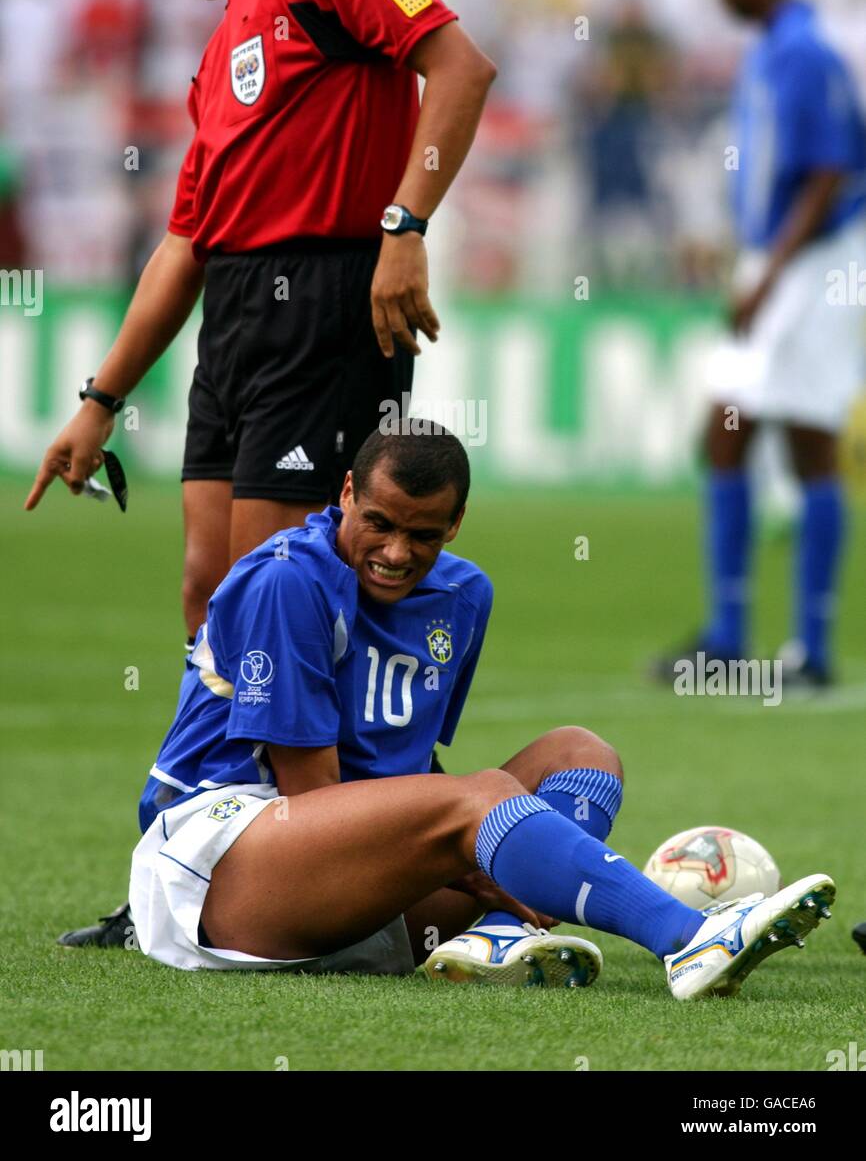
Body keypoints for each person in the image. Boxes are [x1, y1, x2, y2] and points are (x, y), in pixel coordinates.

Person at [26, 0, 496, 944]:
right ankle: (188, 852)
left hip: (330, 298)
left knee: (282, 592)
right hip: (236, 317)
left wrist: (404, 225)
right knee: (214, 592)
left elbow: (459, 65)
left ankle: (320, 869)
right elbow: (185, 240)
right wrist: (99, 401)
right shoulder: (222, 45)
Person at [129, 424, 834, 999]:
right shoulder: (288, 580)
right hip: (221, 872)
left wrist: (475, 858)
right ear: (345, 493)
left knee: (580, 754)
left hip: (353, 886)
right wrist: (471, 860)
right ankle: (690, 938)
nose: (396, 553)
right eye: (378, 523)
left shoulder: (464, 596)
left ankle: (501, 935)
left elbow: (411, 765)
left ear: (457, 522)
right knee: (482, 801)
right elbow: (311, 796)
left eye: (424, 535)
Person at [655, 0, 866, 688]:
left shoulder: (805, 52)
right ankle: (731, 636)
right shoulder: (777, 48)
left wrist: (770, 273)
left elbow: (830, 173)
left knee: (805, 438)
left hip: (818, 264)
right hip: (783, 261)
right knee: (728, 434)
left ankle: (807, 649)